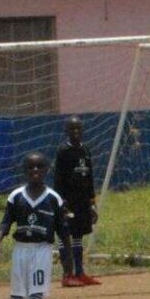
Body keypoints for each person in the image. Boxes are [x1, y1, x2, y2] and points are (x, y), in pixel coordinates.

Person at [0, 153, 70, 299]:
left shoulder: (53, 199)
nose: (35, 171)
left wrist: (67, 257)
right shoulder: (16, 196)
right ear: (25, 171)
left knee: (35, 297)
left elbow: (63, 230)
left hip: (41, 250)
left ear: (46, 170)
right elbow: (6, 222)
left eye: (39, 167)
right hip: (20, 250)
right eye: (31, 168)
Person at [52, 117, 100, 286]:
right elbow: (58, 180)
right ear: (66, 132)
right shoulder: (63, 151)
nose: (76, 132)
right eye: (72, 129)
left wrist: (92, 202)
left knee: (79, 235)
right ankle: (67, 275)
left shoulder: (85, 150)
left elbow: (90, 177)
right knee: (65, 236)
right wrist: (61, 203)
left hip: (82, 201)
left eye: (79, 129)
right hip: (68, 201)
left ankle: (80, 273)